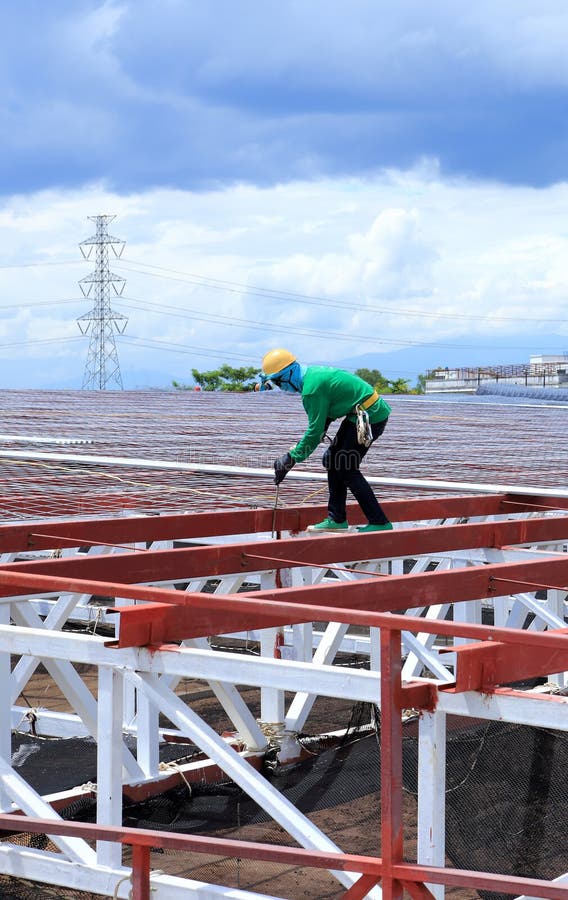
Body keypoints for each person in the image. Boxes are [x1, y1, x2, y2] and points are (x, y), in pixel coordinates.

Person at [258, 348, 393, 533]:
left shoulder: (311, 389)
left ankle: (379, 522)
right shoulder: (311, 377)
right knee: (332, 460)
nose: (280, 387)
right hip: (359, 413)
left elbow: (314, 432)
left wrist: (290, 459)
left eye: (278, 381)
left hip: (371, 415)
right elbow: (325, 416)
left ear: (289, 373)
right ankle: (336, 519)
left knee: (346, 467)